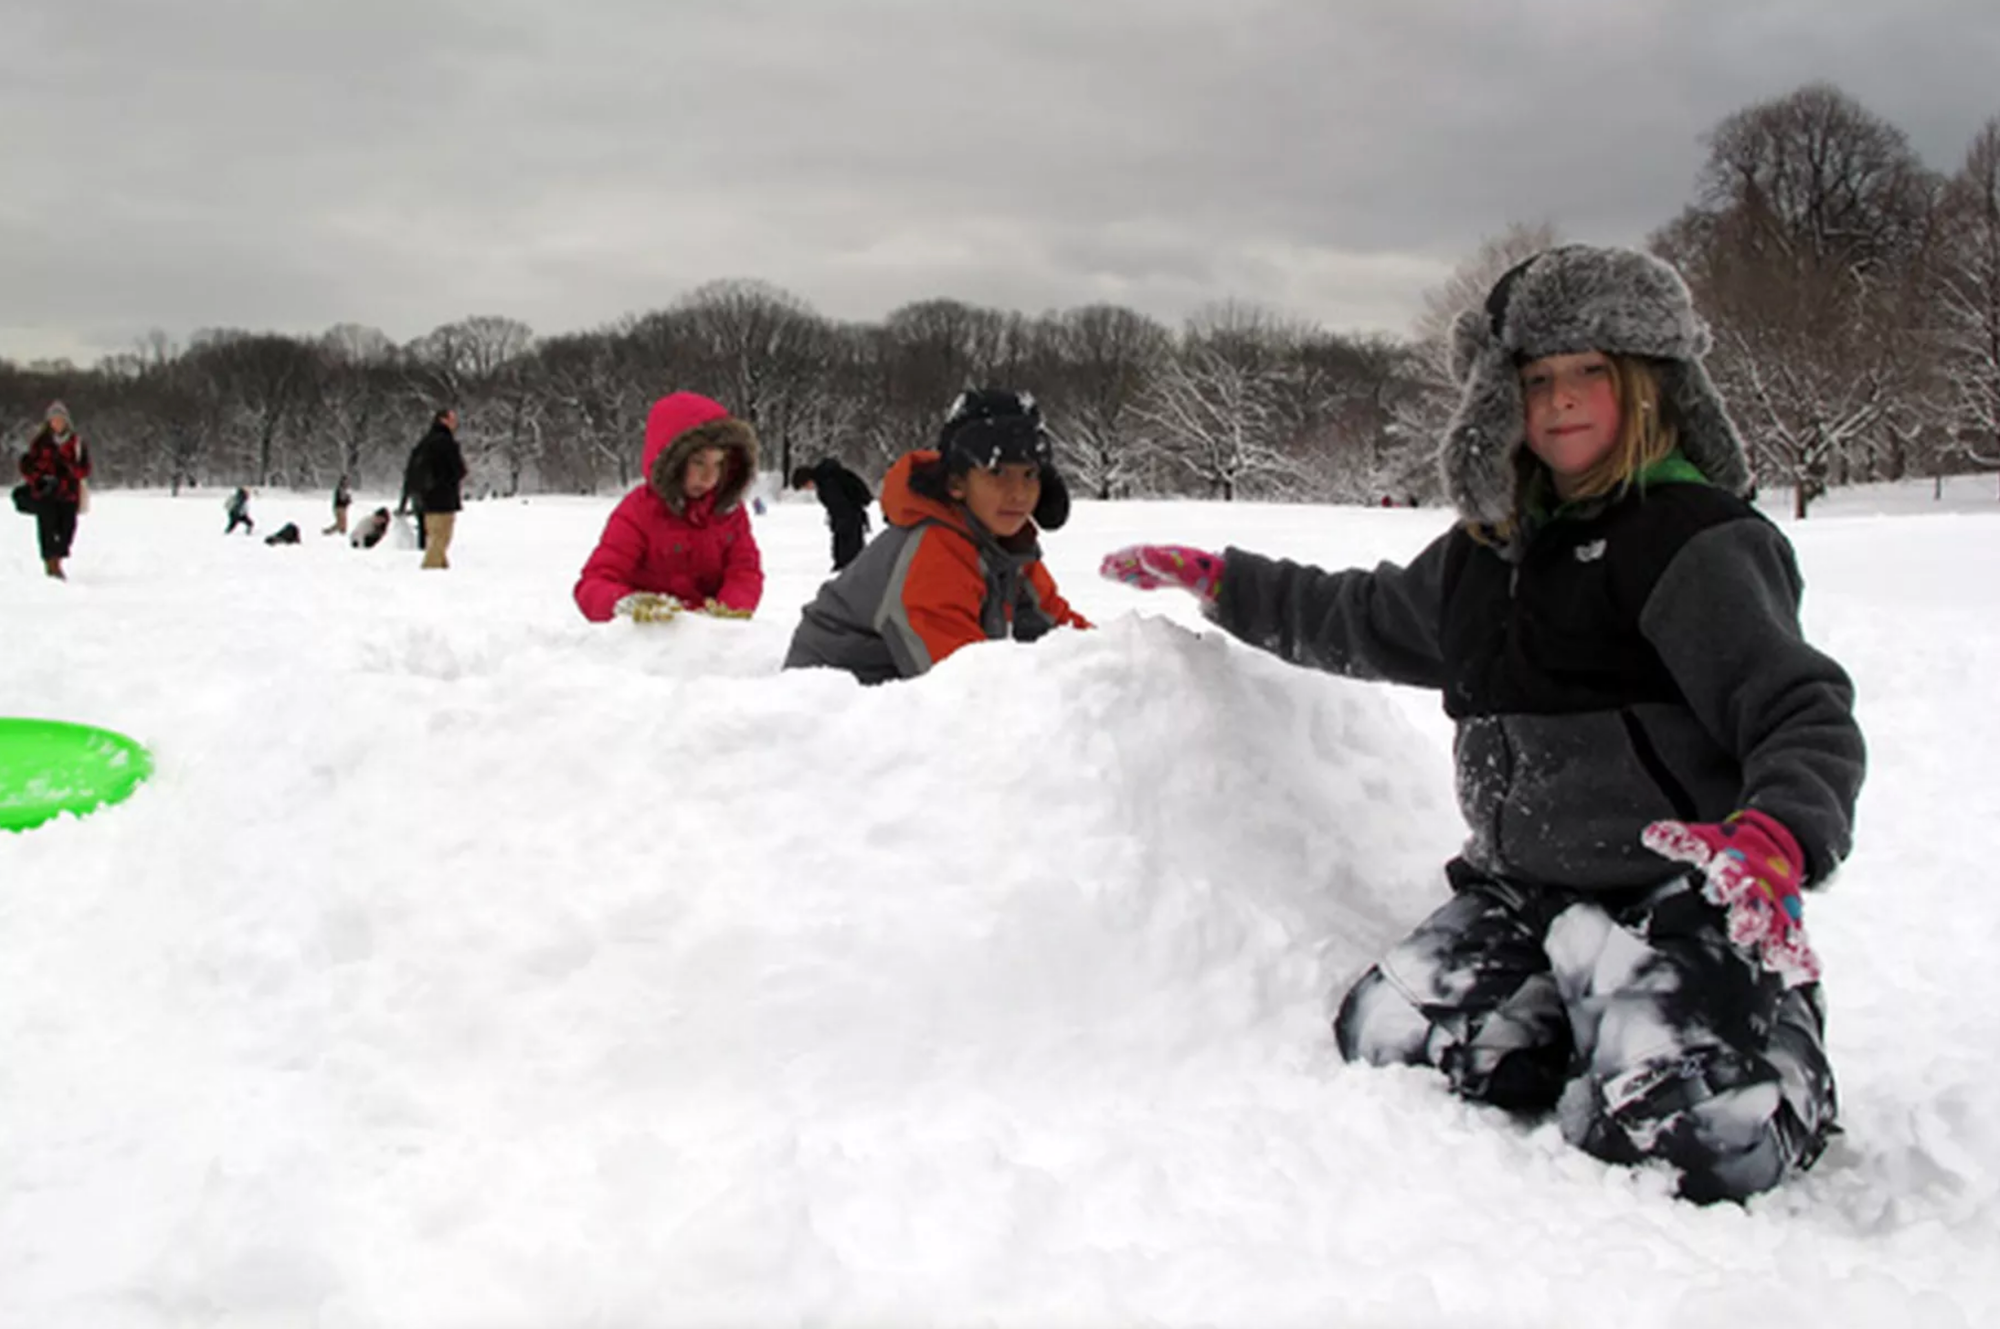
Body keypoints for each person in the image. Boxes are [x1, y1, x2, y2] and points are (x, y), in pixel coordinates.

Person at [1100, 245, 1866, 1204]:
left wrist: (1779, 835)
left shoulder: (1693, 539)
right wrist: (1226, 583)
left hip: (1672, 892)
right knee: (1392, 1034)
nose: (1561, 399)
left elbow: (1801, 707)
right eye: (1536, 379)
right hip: (1526, 893)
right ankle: (1597, 1013)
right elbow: (1364, 615)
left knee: (1698, 1142)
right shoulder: (1485, 552)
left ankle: (1771, 1025)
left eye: (1590, 371)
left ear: (1648, 383)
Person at [784, 388, 1090, 683]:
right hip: (833, 699)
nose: (1019, 494)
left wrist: (1107, 665)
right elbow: (959, 683)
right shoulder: (933, 553)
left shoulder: (1009, 548)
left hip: (905, 688)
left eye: (1030, 475)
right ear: (956, 484)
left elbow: (1058, 626)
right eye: (997, 473)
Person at [573, 391, 764, 623]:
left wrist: (728, 610)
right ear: (672, 463)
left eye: (719, 463)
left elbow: (744, 572)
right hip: (650, 636)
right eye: (698, 462)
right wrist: (628, 605)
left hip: (710, 636)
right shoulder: (638, 511)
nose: (709, 477)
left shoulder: (728, 511)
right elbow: (594, 582)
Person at [18, 400, 92, 579]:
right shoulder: (40, 442)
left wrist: (70, 469)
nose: (57, 423)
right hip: (46, 493)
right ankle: (52, 564)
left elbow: (85, 469)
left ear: (67, 422)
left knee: (67, 530)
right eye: (54, 420)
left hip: (68, 493)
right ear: (49, 422)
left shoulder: (77, 443)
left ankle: (57, 558)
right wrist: (40, 479)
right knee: (47, 529)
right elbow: (27, 466)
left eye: (61, 420)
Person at [400, 408, 467, 568]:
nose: (455, 423)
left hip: (425, 498)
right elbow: (457, 469)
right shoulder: (445, 442)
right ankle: (432, 570)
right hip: (442, 497)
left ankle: (441, 569)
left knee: (435, 537)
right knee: (441, 538)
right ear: (443, 420)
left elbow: (411, 470)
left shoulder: (424, 442)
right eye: (452, 419)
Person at [791, 456, 875, 571]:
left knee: (850, 553)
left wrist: (838, 525)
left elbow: (841, 507)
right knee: (852, 551)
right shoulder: (827, 477)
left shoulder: (827, 483)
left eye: (804, 486)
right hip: (851, 516)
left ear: (807, 480)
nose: (807, 489)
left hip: (849, 519)